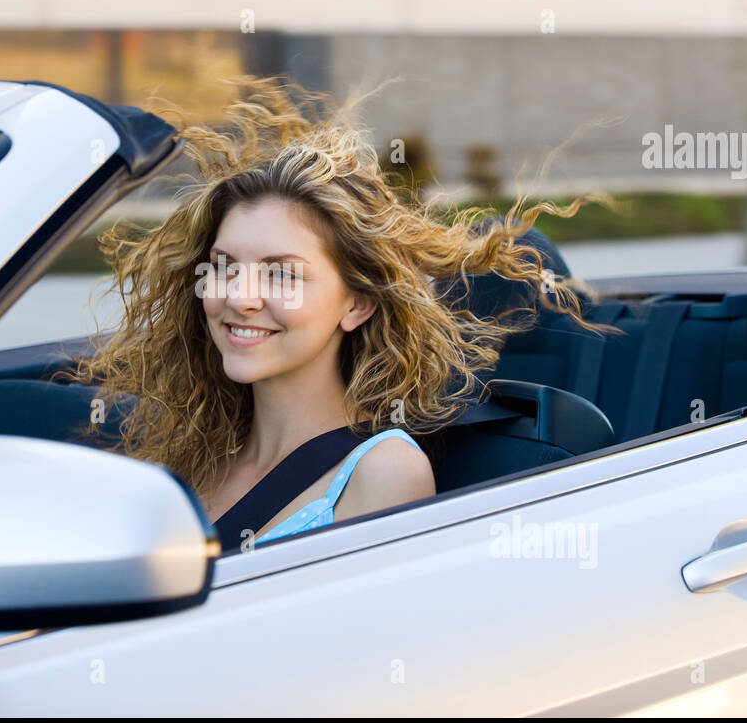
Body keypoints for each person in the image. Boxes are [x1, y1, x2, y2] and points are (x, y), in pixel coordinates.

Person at [64, 76, 612, 551]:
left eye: (282, 273)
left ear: (358, 303)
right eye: (225, 266)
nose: (239, 296)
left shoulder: (382, 471)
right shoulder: (193, 445)